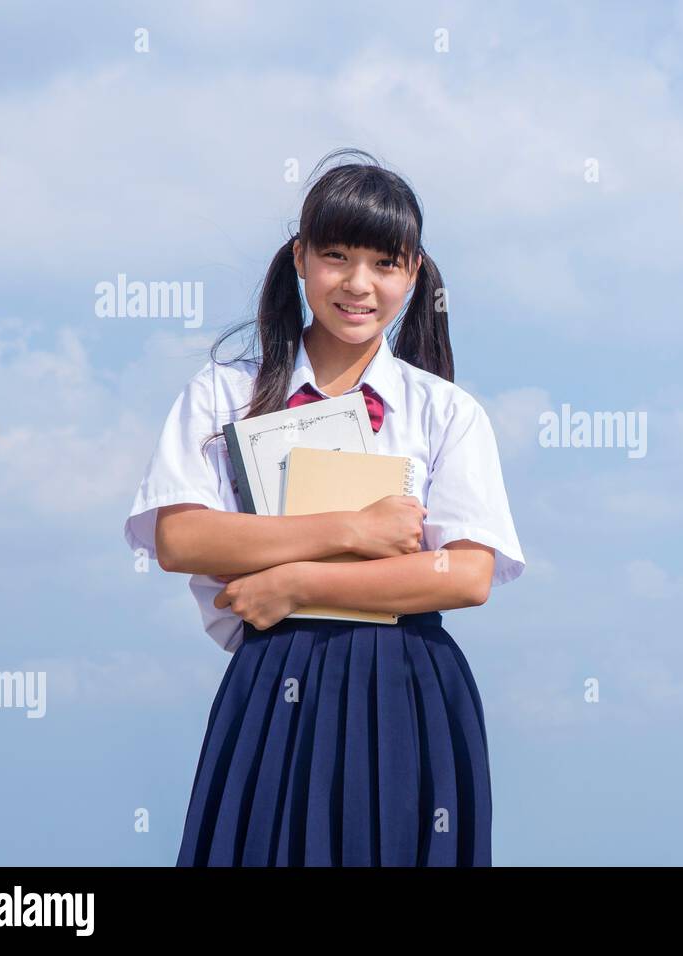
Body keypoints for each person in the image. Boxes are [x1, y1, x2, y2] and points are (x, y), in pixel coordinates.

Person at [122, 148, 524, 866]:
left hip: (408, 683)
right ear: (300, 258)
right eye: (336, 256)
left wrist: (297, 582)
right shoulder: (224, 392)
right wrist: (355, 530)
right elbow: (180, 537)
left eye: (385, 263)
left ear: (415, 275)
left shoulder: (445, 412)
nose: (358, 284)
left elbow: (464, 576)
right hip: (273, 677)